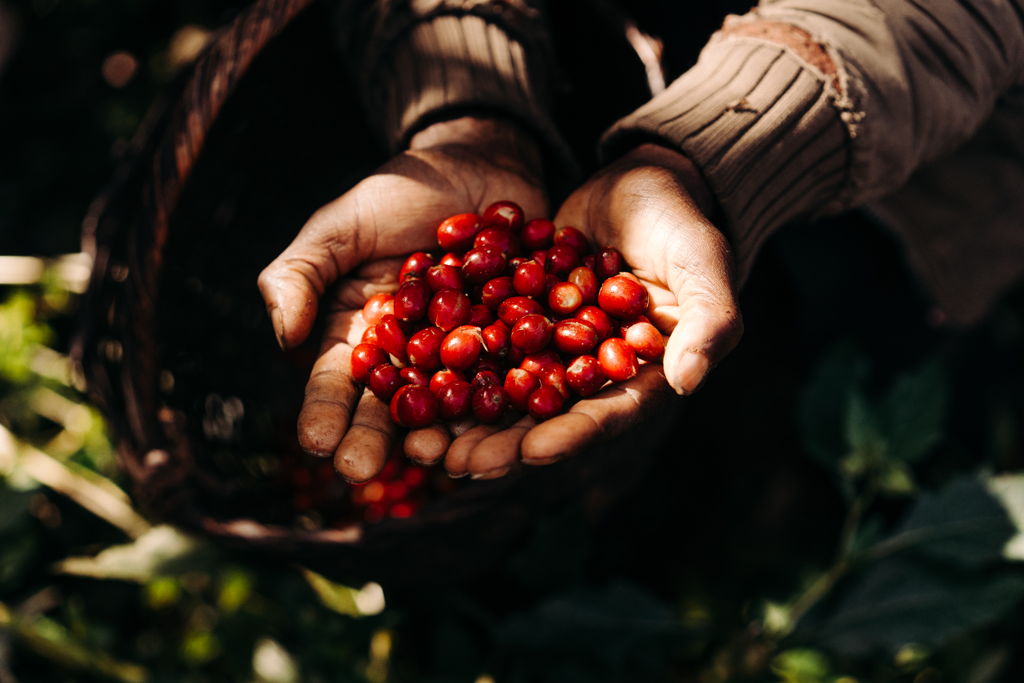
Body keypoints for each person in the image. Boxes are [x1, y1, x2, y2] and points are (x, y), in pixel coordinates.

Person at [256, 0, 1024, 482]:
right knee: (716, 375)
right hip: (592, 83)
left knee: (860, 339)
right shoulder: (505, 302)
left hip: (916, 186)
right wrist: (467, 109)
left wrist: (711, 151)